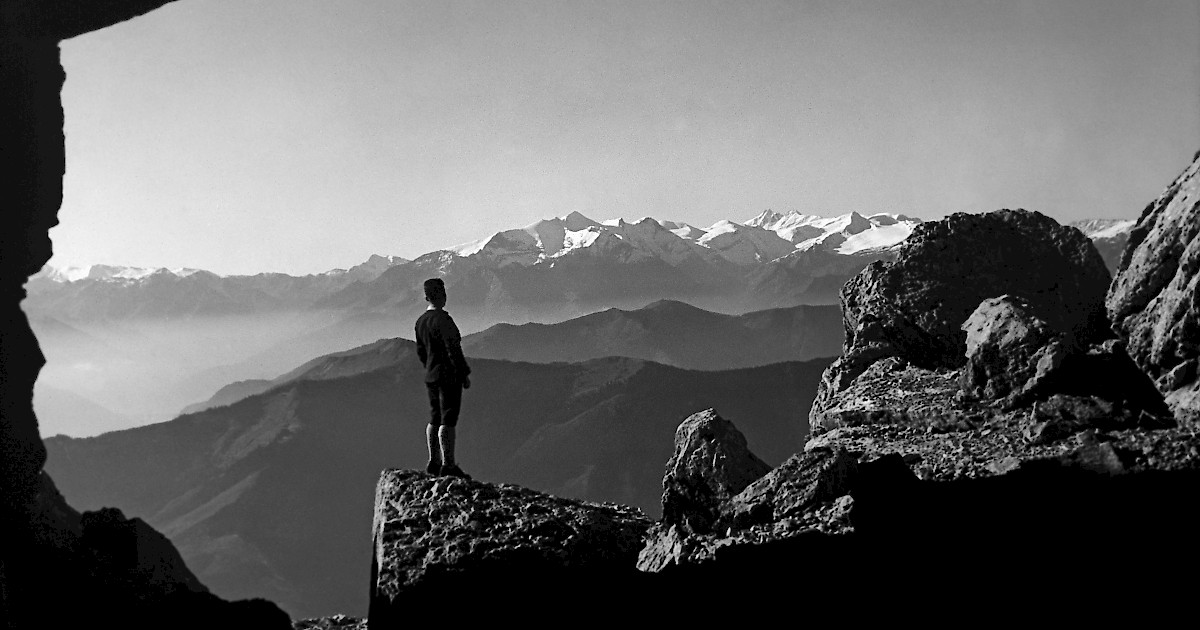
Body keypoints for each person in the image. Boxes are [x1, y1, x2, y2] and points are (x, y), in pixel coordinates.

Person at [414, 277, 472, 479]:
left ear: (426, 297)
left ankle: (434, 461)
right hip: (448, 376)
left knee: (435, 417)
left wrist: (429, 367)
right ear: (441, 295)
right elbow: (453, 349)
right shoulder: (444, 320)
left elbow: (421, 351)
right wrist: (463, 373)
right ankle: (448, 465)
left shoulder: (421, 322)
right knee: (448, 418)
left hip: (431, 375)